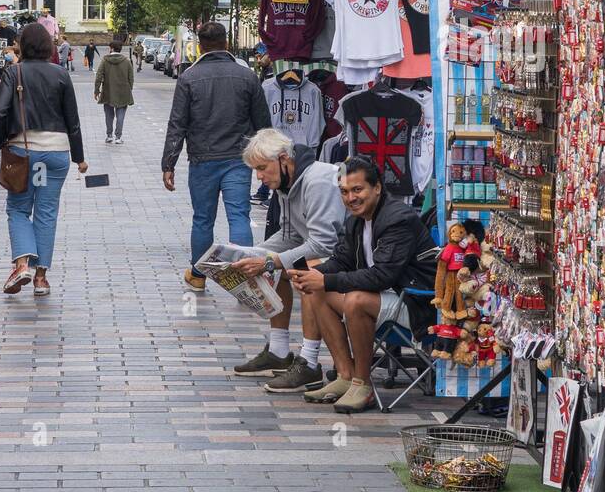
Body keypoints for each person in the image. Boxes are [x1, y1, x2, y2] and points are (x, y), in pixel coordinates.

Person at [290, 156, 436, 415]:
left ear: (377, 187)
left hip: (415, 303)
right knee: (315, 290)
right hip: (385, 298)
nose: (350, 198)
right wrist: (310, 274)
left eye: (358, 190)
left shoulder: (398, 219)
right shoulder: (355, 220)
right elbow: (341, 260)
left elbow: (382, 276)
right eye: (344, 192)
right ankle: (345, 375)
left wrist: (325, 279)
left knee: (355, 299)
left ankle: (363, 384)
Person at [229, 129, 344, 392]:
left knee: (303, 269)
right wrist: (252, 254)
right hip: (328, 253)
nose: (258, 176)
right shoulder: (286, 182)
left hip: (350, 257)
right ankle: (279, 351)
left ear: (283, 159)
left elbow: (323, 243)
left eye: (262, 168)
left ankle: (309, 362)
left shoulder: (317, 181)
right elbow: (290, 235)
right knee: (271, 261)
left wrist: (269, 262)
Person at [162, 21, 269, 292]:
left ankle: (198, 275)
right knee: (239, 216)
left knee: (202, 219)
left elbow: (178, 124)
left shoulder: (189, 77)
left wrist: (169, 163)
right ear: (227, 43)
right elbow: (262, 123)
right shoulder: (247, 77)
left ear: (200, 45)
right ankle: (244, 277)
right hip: (238, 159)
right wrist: (265, 162)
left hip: (202, 160)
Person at [0, 22, 88, 296]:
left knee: (19, 209)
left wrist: (2, 142)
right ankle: (41, 278)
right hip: (55, 154)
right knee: (46, 213)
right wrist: (79, 157)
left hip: (25, 153)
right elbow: (73, 120)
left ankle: (22, 263)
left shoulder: (14, 72)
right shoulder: (60, 74)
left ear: (23, 45)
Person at [94, 35, 135, 144]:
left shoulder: (105, 60)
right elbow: (131, 77)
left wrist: (96, 90)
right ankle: (118, 137)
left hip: (108, 91)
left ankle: (109, 135)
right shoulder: (127, 61)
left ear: (111, 48)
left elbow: (98, 76)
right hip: (123, 91)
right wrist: (129, 89)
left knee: (109, 115)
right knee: (120, 115)